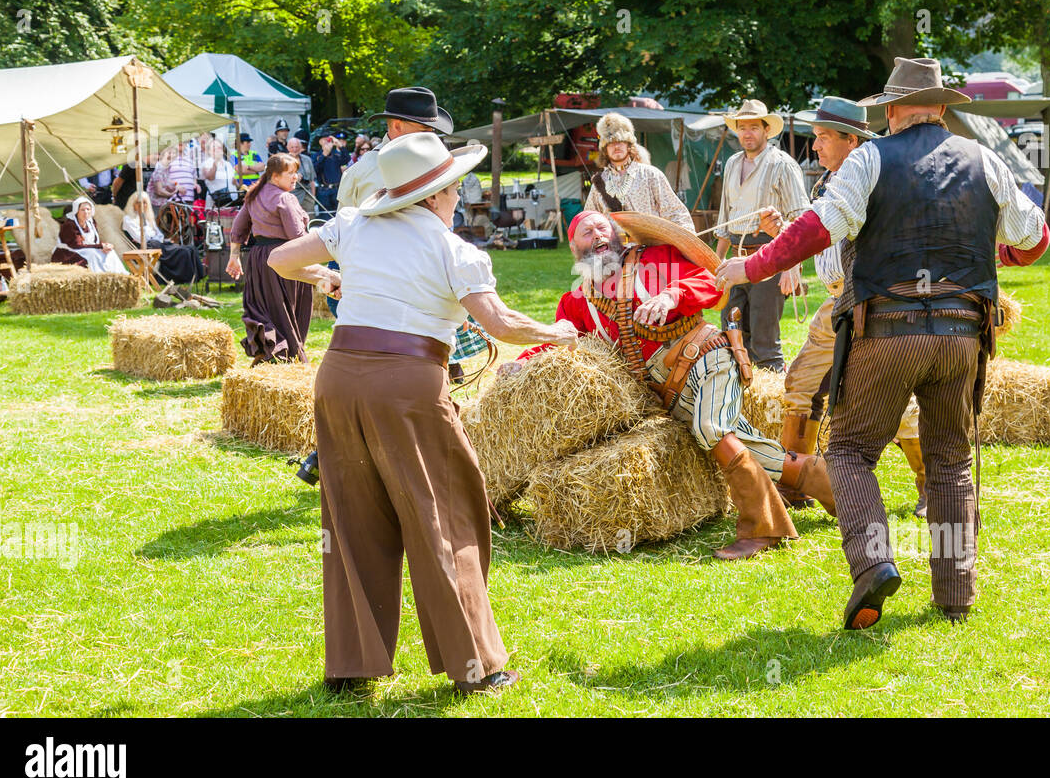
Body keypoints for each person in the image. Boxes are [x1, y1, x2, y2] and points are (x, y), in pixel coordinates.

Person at [717, 57, 1050, 628]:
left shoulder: (870, 158)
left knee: (848, 452)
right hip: (962, 336)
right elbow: (1032, 237)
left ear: (891, 110)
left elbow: (822, 227)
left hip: (887, 331)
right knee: (951, 464)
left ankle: (874, 565)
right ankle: (955, 595)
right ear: (941, 107)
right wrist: (991, 253)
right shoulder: (986, 160)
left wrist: (751, 267)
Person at [267, 131, 578, 694]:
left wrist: (331, 276)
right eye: (455, 188)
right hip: (408, 387)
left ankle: (351, 666)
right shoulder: (456, 250)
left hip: (337, 380)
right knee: (444, 514)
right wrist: (557, 332)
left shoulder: (354, 225)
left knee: (350, 521)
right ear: (436, 194)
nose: (458, 196)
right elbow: (502, 325)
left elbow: (280, 258)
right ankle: (477, 666)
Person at [504, 210, 837, 560]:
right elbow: (562, 340)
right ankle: (837, 488)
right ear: (574, 248)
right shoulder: (576, 301)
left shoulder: (654, 258)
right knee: (744, 445)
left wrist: (671, 296)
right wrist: (524, 362)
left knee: (711, 429)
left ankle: (763, 528)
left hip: (707, 360)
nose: (597, 235)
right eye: (586, 233)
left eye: (602, 227)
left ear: (617, 235)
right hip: (670, 393)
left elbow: (710, 281)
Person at [771, 97, 929, 517]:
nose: (815, 147)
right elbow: (823, 240)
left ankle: (928, 485)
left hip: (870, 303)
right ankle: (795, 480)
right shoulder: (828, 182)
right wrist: (785, 232)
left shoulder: (876, 183)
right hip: (834, 306)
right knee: (799, 387)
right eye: (815, 137)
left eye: (823, 138)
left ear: (852, 140)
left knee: (891, 401)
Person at [713, 99, 811, 371]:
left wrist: (793, 264)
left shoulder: (783, 164)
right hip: (735, 261)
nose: (747, 133)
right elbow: (725, 220)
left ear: (767, 130)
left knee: (764, 344)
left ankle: (771, 402)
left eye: (754, 127)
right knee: (730, 337)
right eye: (742, 127)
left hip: (771, 259)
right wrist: (715, 263)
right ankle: (736, 401)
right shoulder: (732, 163)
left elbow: (801, 219)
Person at [224, 154, 312, 363]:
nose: (295, 178)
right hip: (284, 258)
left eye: (295, 173)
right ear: (274, 176)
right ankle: (286, 352)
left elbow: (238, 228)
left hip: (259, 259)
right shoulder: (285, 198)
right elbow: (297, 236)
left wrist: (234, 257)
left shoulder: (254, 195)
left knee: (266, 308)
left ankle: (271, 353)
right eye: (289, 173)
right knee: (285, 308)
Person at [337, 86, 454, 210]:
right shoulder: (362, 173)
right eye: (424, 130)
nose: (431, 137)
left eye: (433, 130)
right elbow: (343, 224)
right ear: (397, 126)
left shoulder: (436, 162)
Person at [582, 113, 694, 231]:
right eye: (610, 143)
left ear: (629, 145)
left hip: (649, 245)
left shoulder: (651, 175)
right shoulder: (599, 182)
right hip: (613, 247)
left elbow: (675, 212)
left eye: (620, 141)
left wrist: (687, 239)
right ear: (605, 149)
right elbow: (590, 218)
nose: (616, 146)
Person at [122, 193, 205, 286]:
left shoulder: (148, 218)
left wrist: (154, 237)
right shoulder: (128, 219)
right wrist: (152, 236)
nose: (142, 205)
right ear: (132, 204)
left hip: (157, 243)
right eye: (138, 203)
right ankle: (184, 278)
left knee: (190, 248)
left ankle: (197, 276)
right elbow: (139, 237)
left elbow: (159, 235)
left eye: (145, 203)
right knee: (183, 252)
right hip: (145, 247)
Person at [51, 196, 126, 273]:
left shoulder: (91, 222)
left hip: (86, 249)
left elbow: (94, 241)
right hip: (68, 253)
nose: (86, 212)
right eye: (82, 210)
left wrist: (104, 246)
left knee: (110, 252)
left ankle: (120, 274)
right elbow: (76, 245)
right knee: (93, 254)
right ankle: (99, 276)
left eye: (88, 209)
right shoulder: (70, 225)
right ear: (77, 211)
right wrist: (100, 246)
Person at [200, 138, 239, 207]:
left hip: (232, 202)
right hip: (215, 204)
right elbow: (210, 177)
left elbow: (234, 183)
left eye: (219, 147)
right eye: (214, 148)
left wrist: (235, 183)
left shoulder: (228, 164)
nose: (218, 150)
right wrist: (215, 162)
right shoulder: (206, 163)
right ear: (209, 150)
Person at [312, 135, 346, 213]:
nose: (327, 142)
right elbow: (315, 169)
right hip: (323, 191)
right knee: (325, 217)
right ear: (320, 142)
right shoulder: (316, 155)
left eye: (329, 140)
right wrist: (324, 155)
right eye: (325, 140)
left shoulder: (336, 154)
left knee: (339, 214)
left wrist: (340, 146)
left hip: (337, 190)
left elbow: (346, 159)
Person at [287, 136, 317, 213]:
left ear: (301, 148)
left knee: (311, 218)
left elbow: (312, 181)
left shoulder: (307, 159)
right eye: (292, 147)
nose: (294, 149)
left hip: (307, 194)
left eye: (296, 147)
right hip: (291, 195)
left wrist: (313, 197)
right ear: (287, 148)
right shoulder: (284, 160)